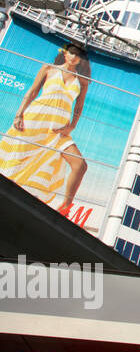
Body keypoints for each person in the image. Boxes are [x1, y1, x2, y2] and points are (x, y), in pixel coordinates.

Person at [0, 41, 91, 219]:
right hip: (34, 121)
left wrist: (72, 126)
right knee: (16, 163)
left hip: (58, 131)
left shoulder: (82, 81)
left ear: (81, 60)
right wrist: (19, 115)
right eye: (71, 53)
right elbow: (32, 92)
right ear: (65, 53)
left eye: (77, 55)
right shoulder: (49, 69)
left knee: (80, 165)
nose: (73, 57)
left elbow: (78, 108)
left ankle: (65, 206)